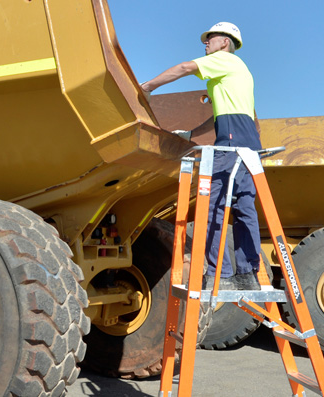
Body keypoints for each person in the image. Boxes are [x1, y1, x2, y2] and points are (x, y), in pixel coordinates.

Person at [139, 22, 261, 290]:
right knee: (244, 207)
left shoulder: (224, 60)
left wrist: (147, 86)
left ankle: (220, 276)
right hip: (249, 141)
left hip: (231, 142)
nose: (205, 43)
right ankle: (247, 273)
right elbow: (223, 114)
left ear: (225, 43)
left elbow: (184, 68)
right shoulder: (239, 72)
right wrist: (193, 132)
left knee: (212, 206)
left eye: (211, 38)